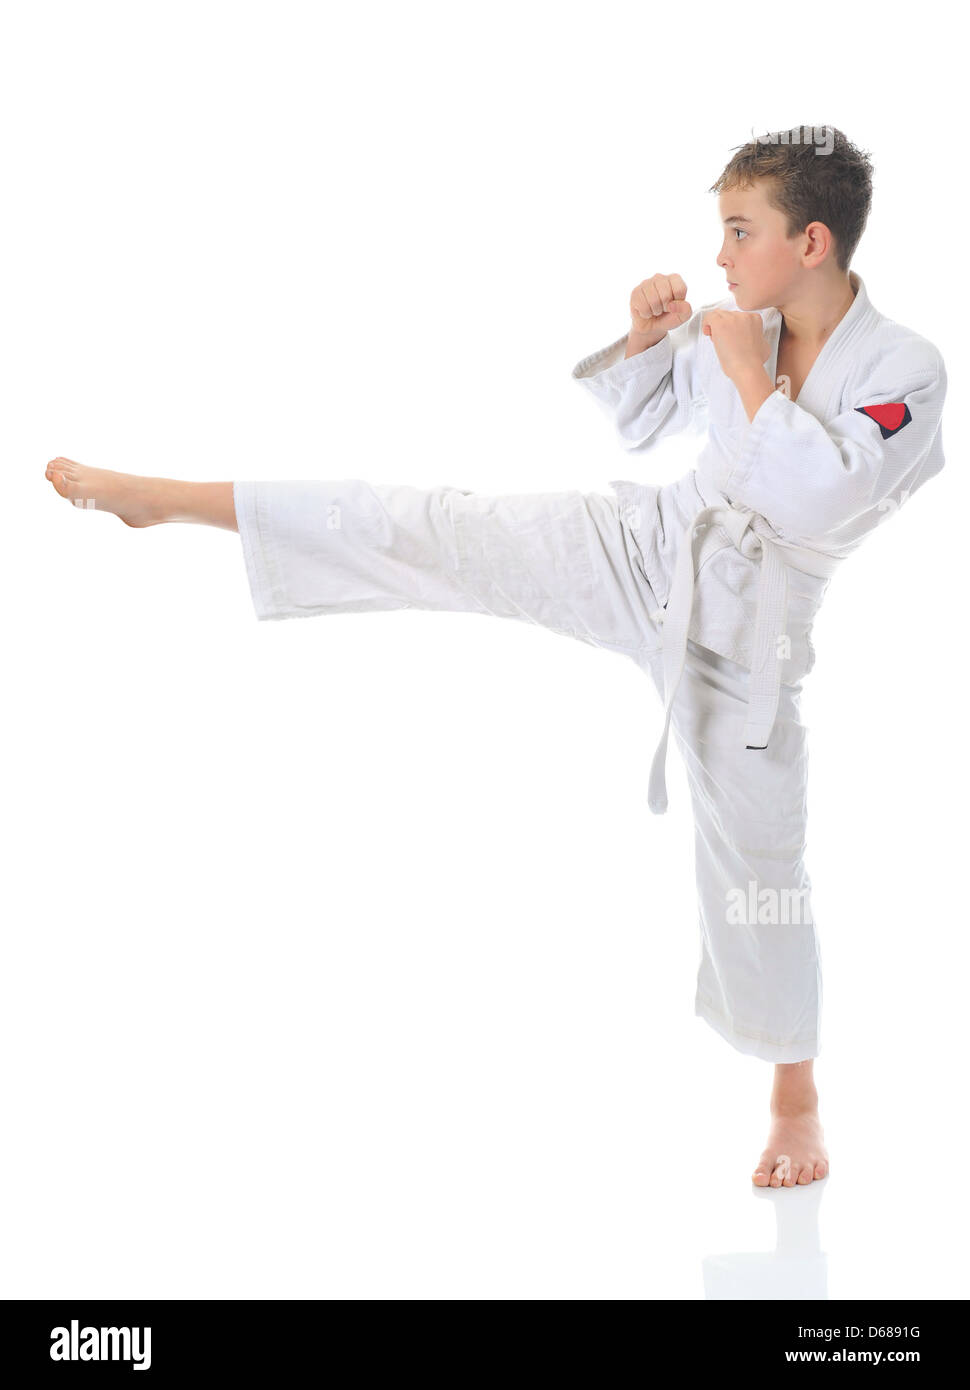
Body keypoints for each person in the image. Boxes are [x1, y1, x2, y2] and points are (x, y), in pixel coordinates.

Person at [44, 125, 947, 1189]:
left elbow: (826, 494)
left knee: (759, 871)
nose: (717, 256)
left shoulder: (904, 368)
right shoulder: (732, 324)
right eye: (718, 232)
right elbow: (643, 428)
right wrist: (648, 341)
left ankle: (794, 1101)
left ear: (810, 240)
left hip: (749, 642)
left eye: (737, 232)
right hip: (647, 545)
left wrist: (749, 378)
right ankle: (177, 502)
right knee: (431, 523)